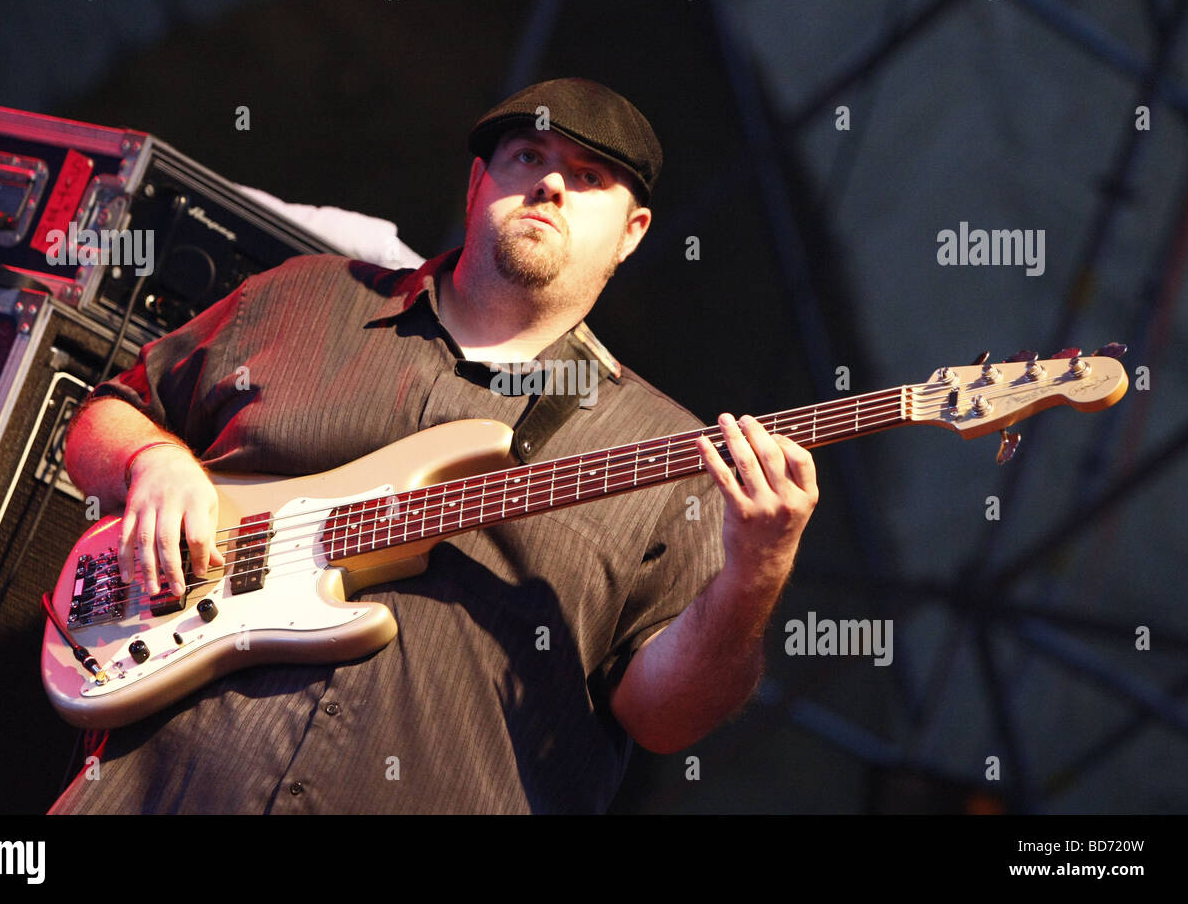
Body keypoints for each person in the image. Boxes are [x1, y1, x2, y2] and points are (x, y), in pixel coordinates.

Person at [48, 78, 818, 814]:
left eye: (589, 178)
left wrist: (758, 570)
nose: (552, 186)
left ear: (632, 234)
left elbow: (664, 721)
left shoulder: (667, 456)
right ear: (479, 182)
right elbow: (103, 420)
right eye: (529, 158)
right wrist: (153, 460)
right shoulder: (307, 294)